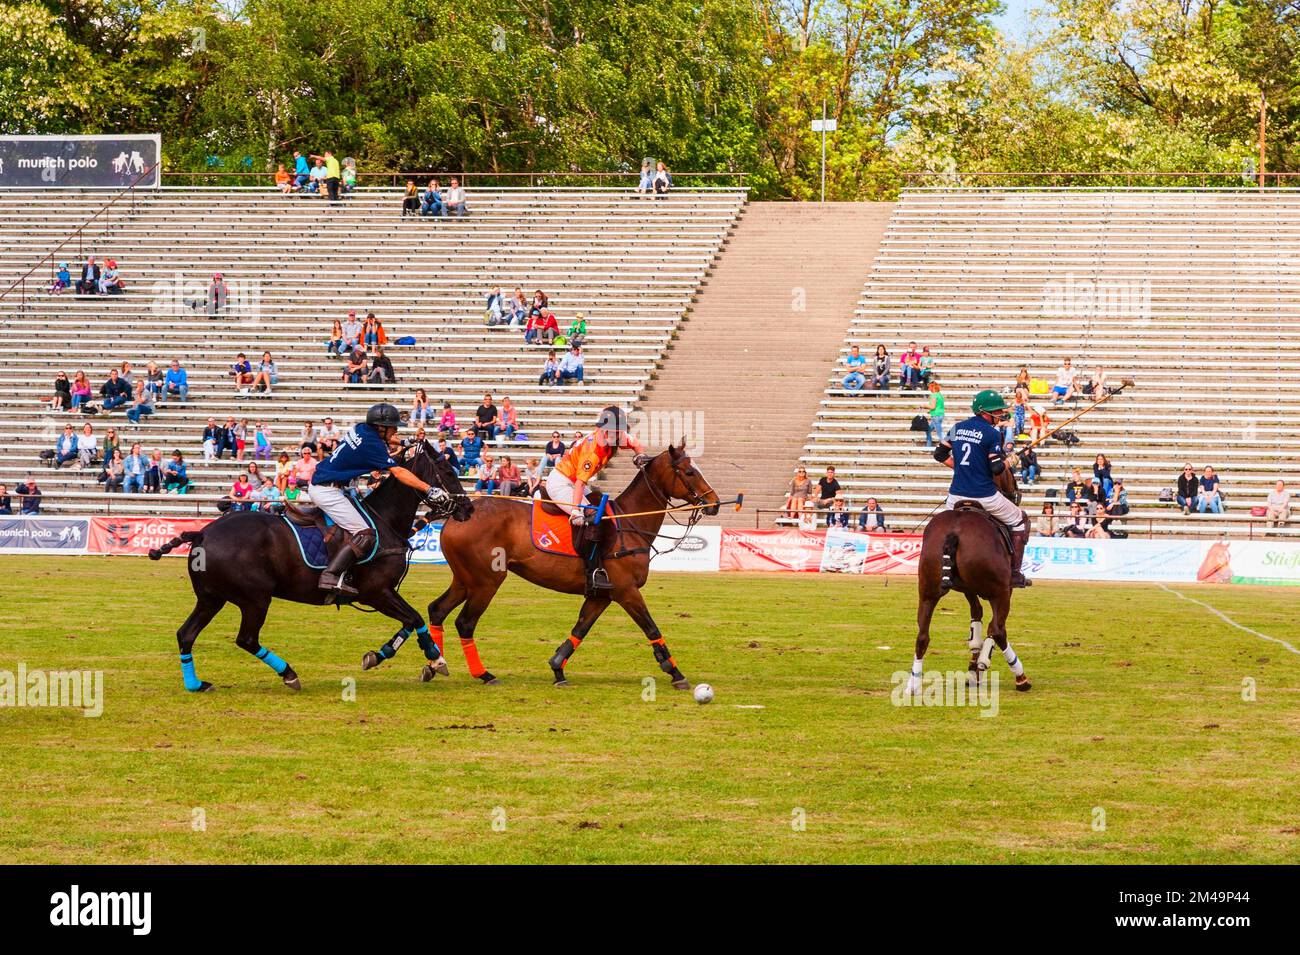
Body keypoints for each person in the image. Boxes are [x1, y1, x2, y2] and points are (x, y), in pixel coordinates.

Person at [308, 403, 450, 595]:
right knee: (365, 533)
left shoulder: (361, 429)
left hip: (329, 485)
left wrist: (404, 442)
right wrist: (429, 489)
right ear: (381, 427)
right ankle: (330, 575)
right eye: (393, 427)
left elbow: (387, 441)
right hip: (327, 491)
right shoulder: (372, 445)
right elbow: (398, 472)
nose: (396, 430)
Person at [933, 389, 1032, 587]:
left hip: (955, 496)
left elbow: (939, 454)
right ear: (984, 412)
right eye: (996, 411)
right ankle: (1014, 572)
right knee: (1020, 520)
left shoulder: (957, 427)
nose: (1000, 414)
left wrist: (960, 467)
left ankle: (946, 567)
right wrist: (1011, 461)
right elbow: (996, 468)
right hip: (985, 496)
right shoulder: (991, 433)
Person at [546, 406, 646, 593]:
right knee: (592, 518)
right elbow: (579, 483)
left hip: (573, 482)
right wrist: (576, 511)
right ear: (605, 429)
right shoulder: (592, 451)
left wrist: (639, 455)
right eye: (615, 431)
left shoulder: (616, 436)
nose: (619, 435)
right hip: (562, 483)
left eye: (619, 431)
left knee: (603, 512)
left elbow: (636, 444)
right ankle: (592, 572)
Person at [924, 379, 945, 448]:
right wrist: (930, 411)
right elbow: (938, 406)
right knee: (928, 430)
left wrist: (924, 406)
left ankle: (947, 448)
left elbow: (932, 406)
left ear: (932, 387)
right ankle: (928, 447)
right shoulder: (940, 395)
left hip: (936, 416)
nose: (928, 389)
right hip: (939, 415)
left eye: (929, 387)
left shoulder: (934, 395)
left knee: (940, 434)